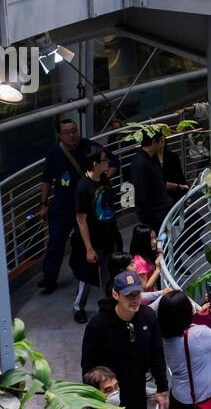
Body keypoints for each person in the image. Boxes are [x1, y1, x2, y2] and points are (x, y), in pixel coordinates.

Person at [80, 269, 169, 409]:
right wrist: (98, 397)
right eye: (129, 295)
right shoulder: (98, 326)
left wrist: (162, 389)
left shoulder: (148, 317)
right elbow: (87, 367)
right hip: (108, 399)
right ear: (115, 295)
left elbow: (157, 354)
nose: (134, 299)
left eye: (137, 294)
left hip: (135, 395)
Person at [37, 115, 117, 294]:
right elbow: (47, 179)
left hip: (85, 205)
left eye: (74, 131)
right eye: (67, 133)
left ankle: (85, 271)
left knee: (85, 241)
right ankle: (49, 278)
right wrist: (43, 203)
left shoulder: (90, 146)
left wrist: (99, 184)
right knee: (56, 240)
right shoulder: (54, 152)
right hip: (61, 205)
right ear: (59, 135)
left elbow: (113, 162)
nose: (72, 136)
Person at [69, 147, 122, 323]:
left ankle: (110, 305)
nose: (107, 163)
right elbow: (81, 219)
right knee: (87, 276)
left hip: (108, 234)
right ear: (95, 164)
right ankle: (79, 308)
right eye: (104, 160)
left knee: (109, 272)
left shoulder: (104, 178)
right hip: (93, 239)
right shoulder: (83, 187)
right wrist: (88, 248)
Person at [128, 132, 172, 232]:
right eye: (161, 142)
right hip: (154, 216)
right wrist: (154, 219)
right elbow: (141, 195)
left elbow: (160, 180)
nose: (163, 145)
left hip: (162, 209)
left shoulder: (153, 157)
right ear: (154, 142)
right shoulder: (140, 163)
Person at [128, 224, 161, 289]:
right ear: (142, 241)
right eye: (150, 239)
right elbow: (145, 287)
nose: (154, 241)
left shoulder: (148, 254)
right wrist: (158, 269)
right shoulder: (139, 262)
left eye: (155, 237)